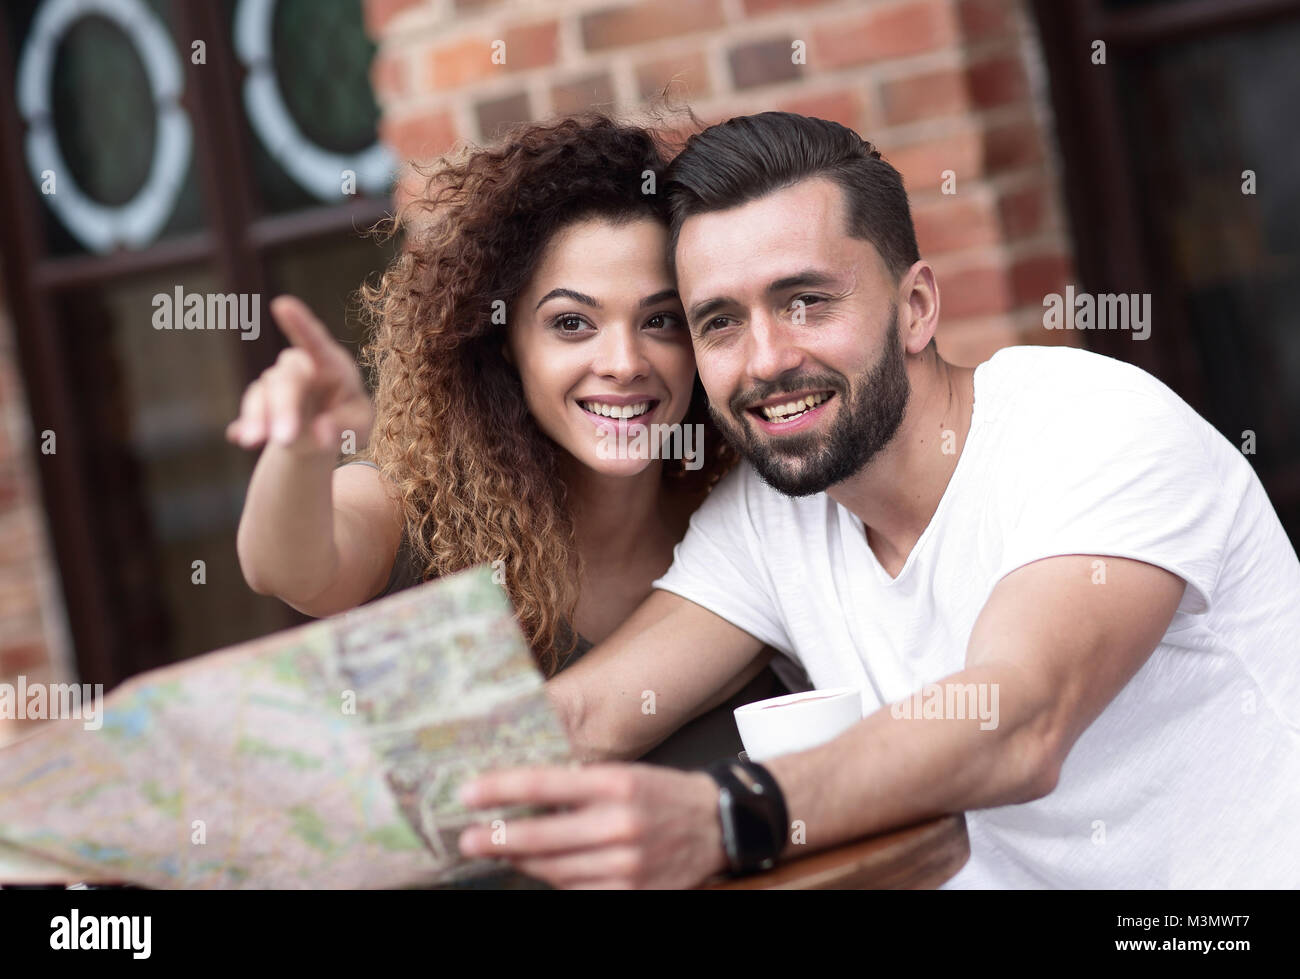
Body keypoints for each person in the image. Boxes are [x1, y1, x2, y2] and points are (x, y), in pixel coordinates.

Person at [454, 111, 1300, 889]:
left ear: (916, 307)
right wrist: (335, 813)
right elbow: (586, 716)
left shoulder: (1089, 426)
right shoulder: (772, 516)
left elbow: (1019, 719)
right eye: (718, 322)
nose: (766, 360)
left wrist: (727, 815)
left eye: (806, 302)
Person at [228, 113, 803, 775]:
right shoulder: (422, 509)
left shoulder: (746, 516)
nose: (623, 361)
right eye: (571, 323)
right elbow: (286, 567)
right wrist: (300, 453)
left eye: (661, 320)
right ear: (504, 339)